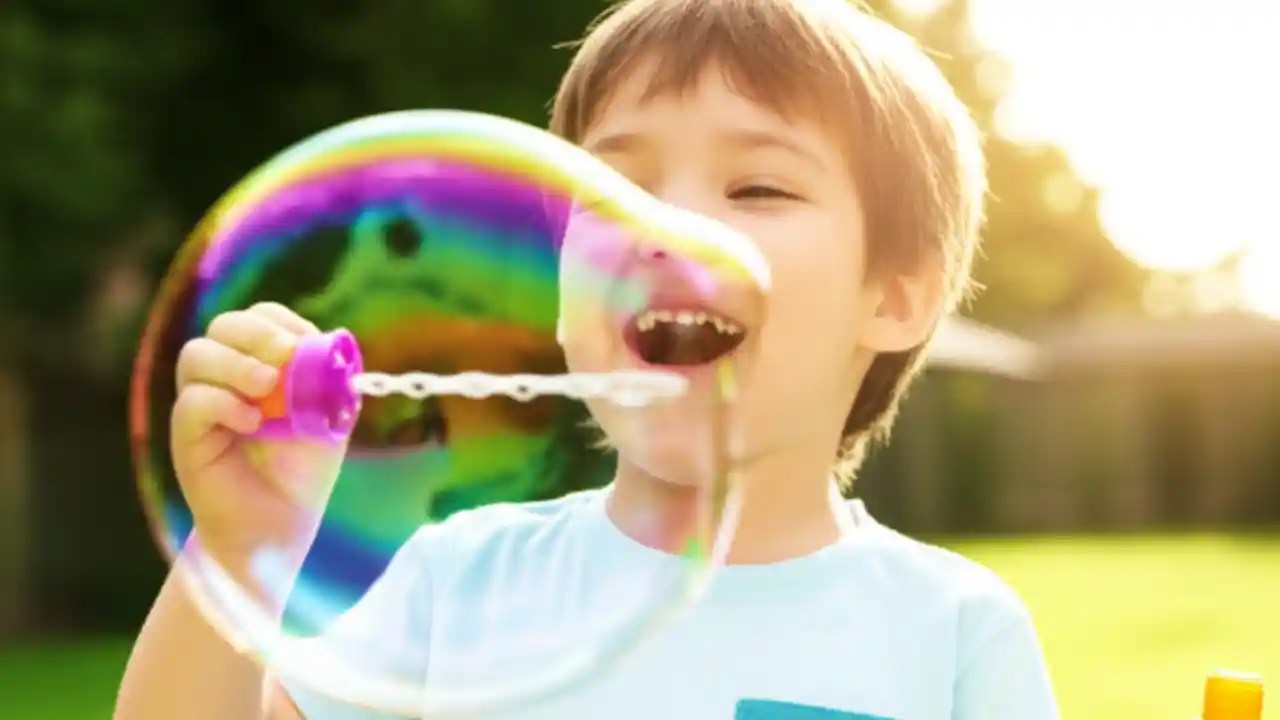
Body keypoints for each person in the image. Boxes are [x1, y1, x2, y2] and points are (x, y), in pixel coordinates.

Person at [116, 0, 1059, 717]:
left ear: (894, 293)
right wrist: (241, 554)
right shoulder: (460, 587)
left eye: (758, 185)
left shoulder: (952, 633)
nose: (664, 229)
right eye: (611, 190)